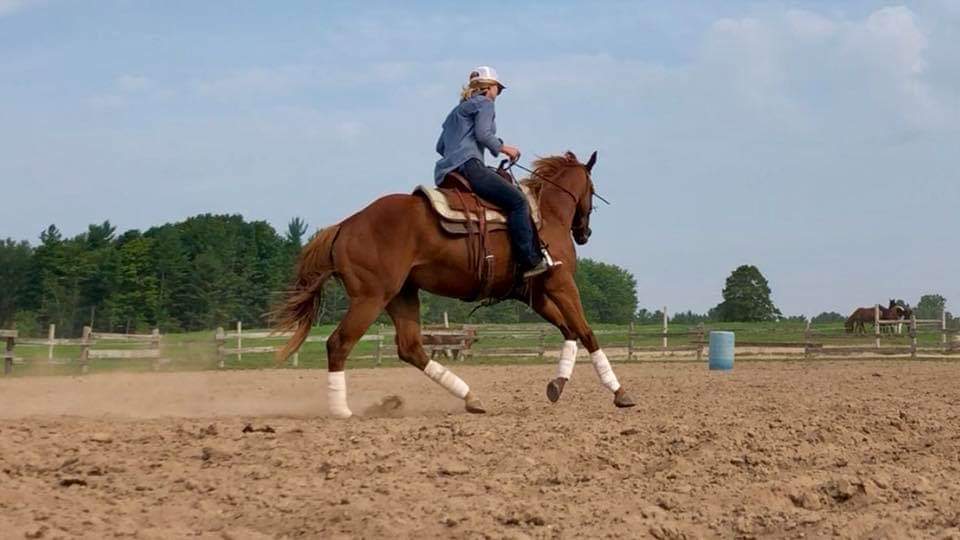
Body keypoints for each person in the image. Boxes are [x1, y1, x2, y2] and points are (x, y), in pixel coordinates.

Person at [434, 66, 558, 278]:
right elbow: (483, 134)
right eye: (498, 90)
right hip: (470, 166)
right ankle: (529, 260)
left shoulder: (455, 112)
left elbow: (440, 147)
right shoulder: (485, 103)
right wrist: (504, 148)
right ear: (489, 88)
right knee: (518, 201)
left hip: (446, 173)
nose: (497, 94)